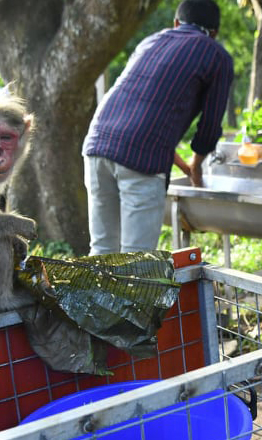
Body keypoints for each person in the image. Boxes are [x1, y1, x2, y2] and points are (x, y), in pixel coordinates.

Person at [82, 0, 234, 256]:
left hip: (97, 143)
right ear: (214, 32)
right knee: (136, 260)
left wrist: (184, 166)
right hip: (139, 159)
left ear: (176, 23)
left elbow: (145, 118)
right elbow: (209, 127)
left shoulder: (150, 42)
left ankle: (93, 297)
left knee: (102, 250)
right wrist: (196, 165)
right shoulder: (216, 55)